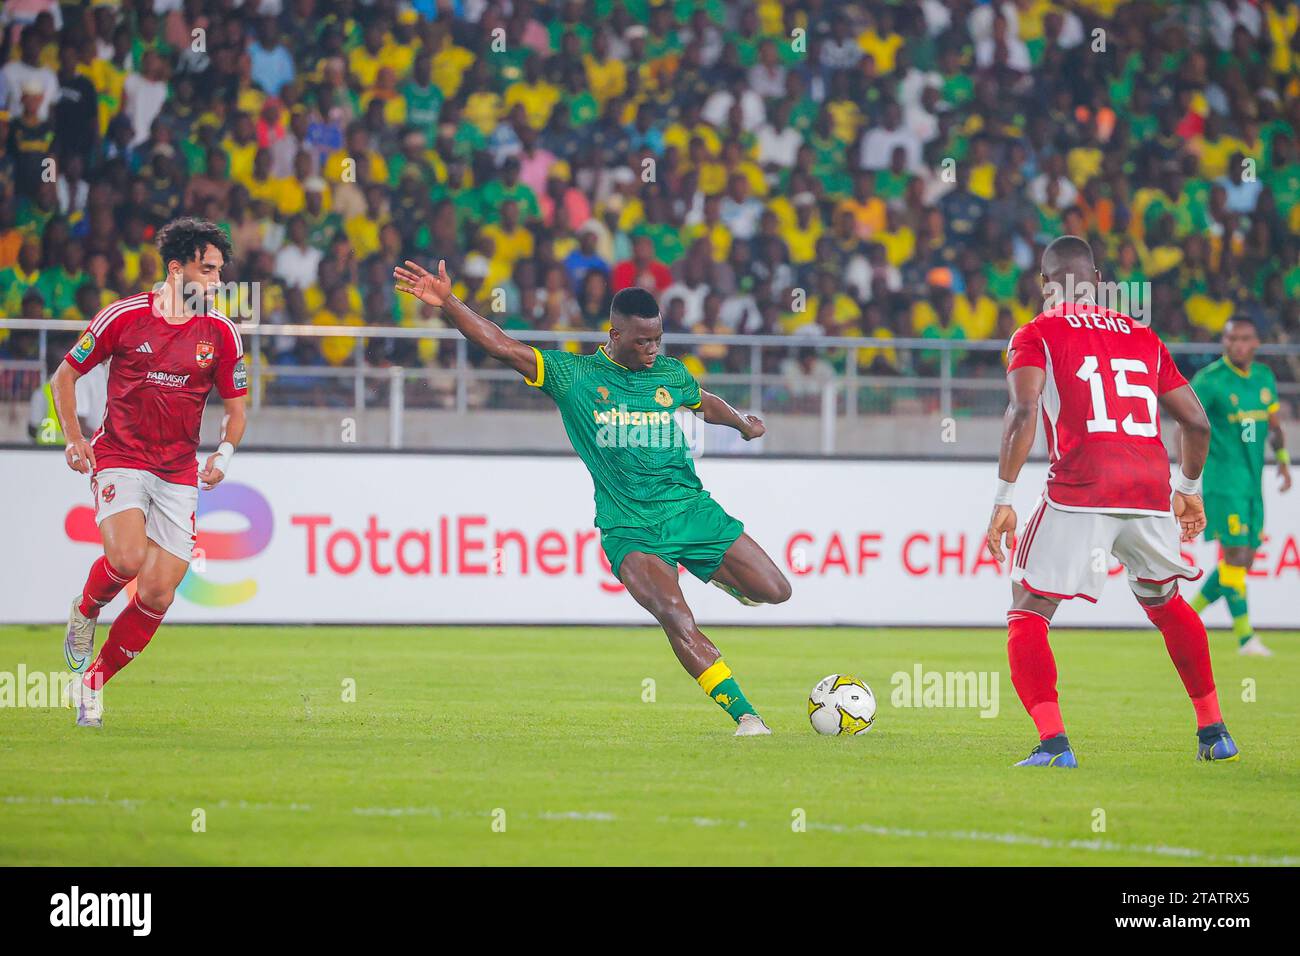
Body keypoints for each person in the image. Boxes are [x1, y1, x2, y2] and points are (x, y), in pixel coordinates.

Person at [393, 259, 792, 736]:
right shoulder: (573, 376)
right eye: (641, 341)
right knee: (674, 613)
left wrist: (743, 423)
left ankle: (727, 582)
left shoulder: (668, 373)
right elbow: (502, 346)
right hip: (630, 527)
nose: (651, 349)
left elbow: (702, 401)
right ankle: (747, 716)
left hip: (691, 510)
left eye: (657, 339)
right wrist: (450, 304)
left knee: (776, 592)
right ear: (614, 334)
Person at [985, 235, 1237, 767]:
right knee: (1165, 603)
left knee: (1027, 609)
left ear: (1045, 286)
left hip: (1081, 485)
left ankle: (1054, 744)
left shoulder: (1036, 333)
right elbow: (1196, 421)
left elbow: (1023, 412)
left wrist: (1004, 497)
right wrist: (1187, 490)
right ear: (1099, 284)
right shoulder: (1143, 334)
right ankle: (1214, 732)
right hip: (1148, 488)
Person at [53, 217, 248, 728]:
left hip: (179, 471)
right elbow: (65, 375)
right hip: (121, 454)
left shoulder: (221, 333)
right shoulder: (124, 316)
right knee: (128, 556)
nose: (217, 282)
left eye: (221, 272)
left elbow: (236, 408)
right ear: (176, 269)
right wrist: (75, 439)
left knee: (159, 592)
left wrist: (223, 454)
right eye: (208, 270)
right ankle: (86, 608)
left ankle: (92, 684)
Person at [1188, 317, 1292, 656]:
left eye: (1245, 339)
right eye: (1232, 339)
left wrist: (1283, 460)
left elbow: (1274, 425)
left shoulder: (1263, 378)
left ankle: (1186, 617)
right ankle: (1246, 637)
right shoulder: (1210, 381)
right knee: (1234, 555)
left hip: (1252, 481)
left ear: (1256, 343)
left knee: (1243, 560)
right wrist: (1185, 471)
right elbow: (1186, 418)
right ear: (1225, 341)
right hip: (1223, 480)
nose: (1238, 345)